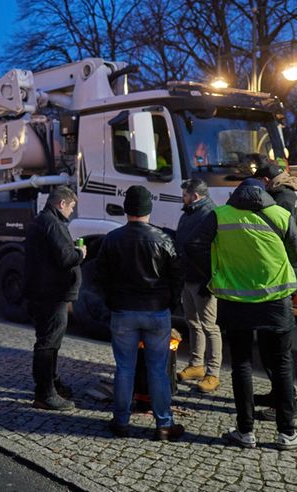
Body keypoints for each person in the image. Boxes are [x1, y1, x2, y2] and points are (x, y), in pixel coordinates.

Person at [186, 178, 297, 450]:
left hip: (235, 299)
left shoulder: (220, 215)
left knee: (241, 364)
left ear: (236, 194)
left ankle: (245, 431)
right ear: (263, 194)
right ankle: (287, 433)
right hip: (276, 301)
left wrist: (215, 272)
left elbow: (193, 245)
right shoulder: (280, 214)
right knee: (282, 364)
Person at [94, 185, 184, 440]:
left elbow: (100, 277)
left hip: (123, 311)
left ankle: (121, 422)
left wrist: (111, 303)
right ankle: (164, 424)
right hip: (156, 311)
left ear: (126, 209)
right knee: (158, 370)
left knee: (125, 368)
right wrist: (170, 303)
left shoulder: (112, 239)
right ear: (149, 209)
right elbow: (177, 276)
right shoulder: (163, 239)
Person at [253, 161, 297, 417]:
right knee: (273, 345)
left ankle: (285, 404)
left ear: (266, 180)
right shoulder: (289, 195)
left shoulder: (282, 200)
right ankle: (278, 395)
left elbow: (279, 243)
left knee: (275, 347)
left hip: (279, 280)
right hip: (285, 278)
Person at [24, 186, 86, 411]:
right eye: (71, 207)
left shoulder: (41, 221)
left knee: (48, 341)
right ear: (62, 204)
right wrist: (80, 253)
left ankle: (51, 383)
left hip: (42, 292)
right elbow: (66, 258)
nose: (71, 212)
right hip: (50, 294)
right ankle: (45, 393)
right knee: (48, 343)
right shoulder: (53, 224)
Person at [174, 179, 221, 393]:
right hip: (188, 276)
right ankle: (196, 365)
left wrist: (208, 279)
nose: (182, 198)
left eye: (184, 194)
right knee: (193, 322)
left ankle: (213, 373)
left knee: (210, 326)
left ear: (194, 196)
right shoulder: (189, 213)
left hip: (202, 279)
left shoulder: (210, 214)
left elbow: (213, 250)